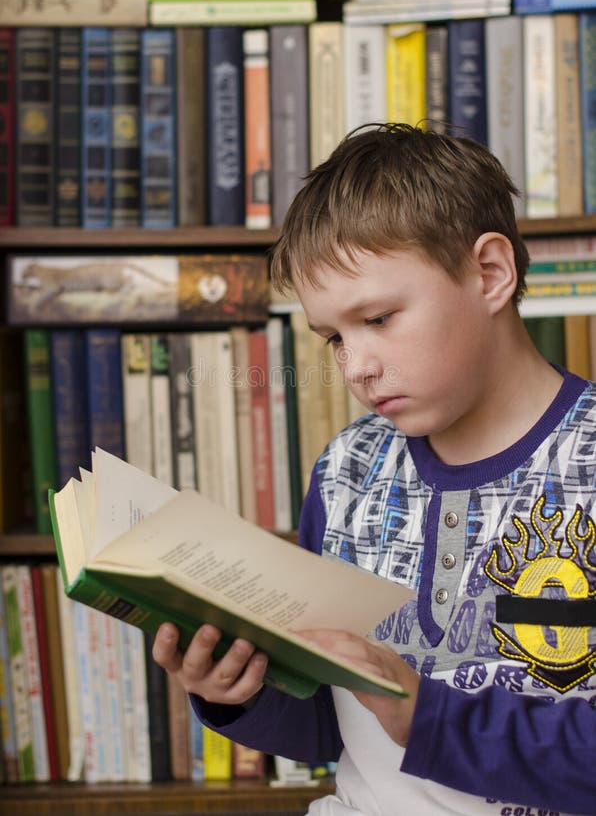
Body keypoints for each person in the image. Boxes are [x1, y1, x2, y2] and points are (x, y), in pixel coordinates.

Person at [153, 124, 596, 815]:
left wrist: (434, 719)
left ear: (489, 274)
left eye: (380, 318)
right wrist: (235, 692)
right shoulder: (347, 472)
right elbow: (336, 724)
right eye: (333, 337)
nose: (355, 366)